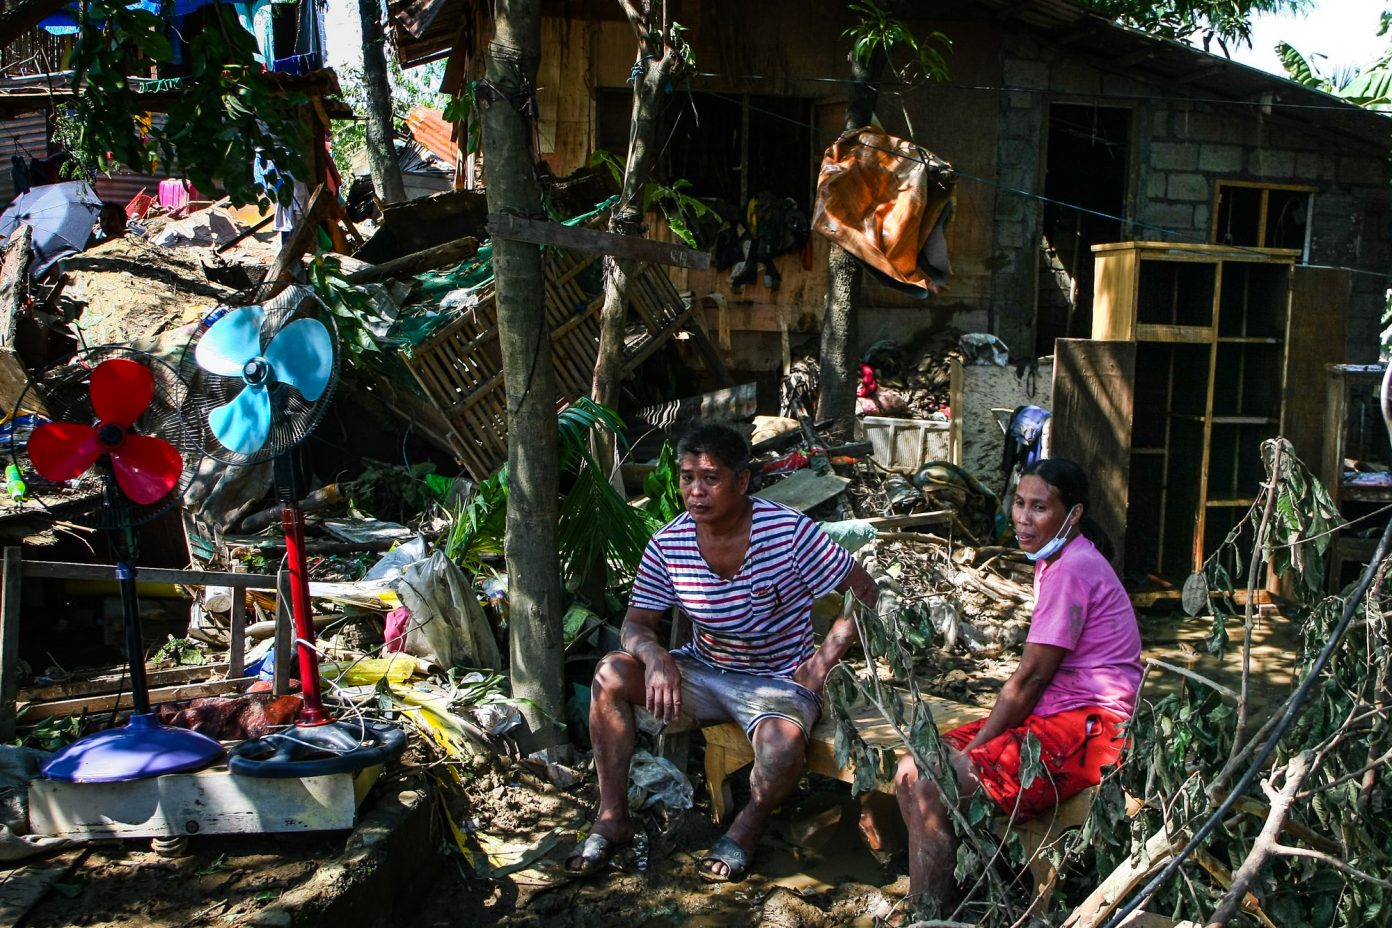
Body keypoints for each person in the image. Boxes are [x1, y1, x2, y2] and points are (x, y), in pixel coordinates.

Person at [566, 421, 878, 882]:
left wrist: (820, 663)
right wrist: (656, 658)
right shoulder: (669, 544)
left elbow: (864, 593)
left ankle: (747, 825)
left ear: (742, 480)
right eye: (687, 478)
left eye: (710, 478)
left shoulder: (788, 532)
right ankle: (612, 817)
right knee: (611, 671)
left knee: (781, 748)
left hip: (778, 680)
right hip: (703, 670)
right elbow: (636, 623)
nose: (696, 491)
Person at [894, 458, 1142, 913]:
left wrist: (981, 745)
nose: (1023, 518)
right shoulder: (1056, 559)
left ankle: (927, 914)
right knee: (911, 767)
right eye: (1019, 503)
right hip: (1054, 713)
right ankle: (951, 898)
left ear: (1074, 514)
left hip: (1097, 727)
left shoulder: (1072, 568)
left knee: (934, 783)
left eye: (1039, 507)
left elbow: (1030, 677)